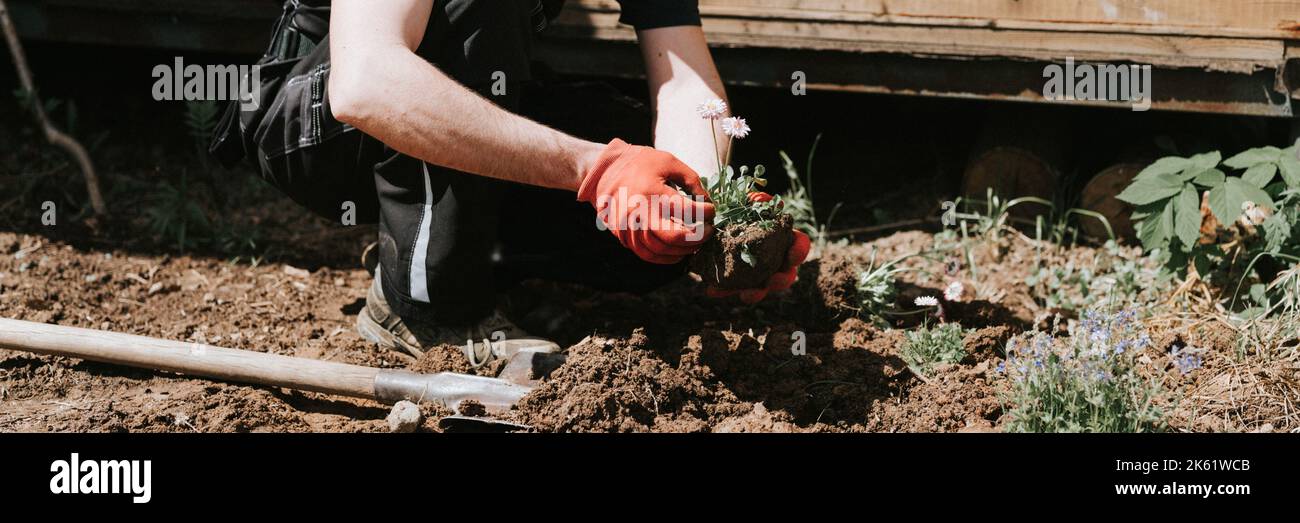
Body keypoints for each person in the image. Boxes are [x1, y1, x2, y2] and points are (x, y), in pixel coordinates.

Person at [212, 0, 807, 366]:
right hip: (306, 119)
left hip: (426, 100)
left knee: (646, 191)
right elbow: (366, 82)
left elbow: (685, 85)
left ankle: (471, 258)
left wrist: (701, 211)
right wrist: (596, 171)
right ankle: (426, 307)